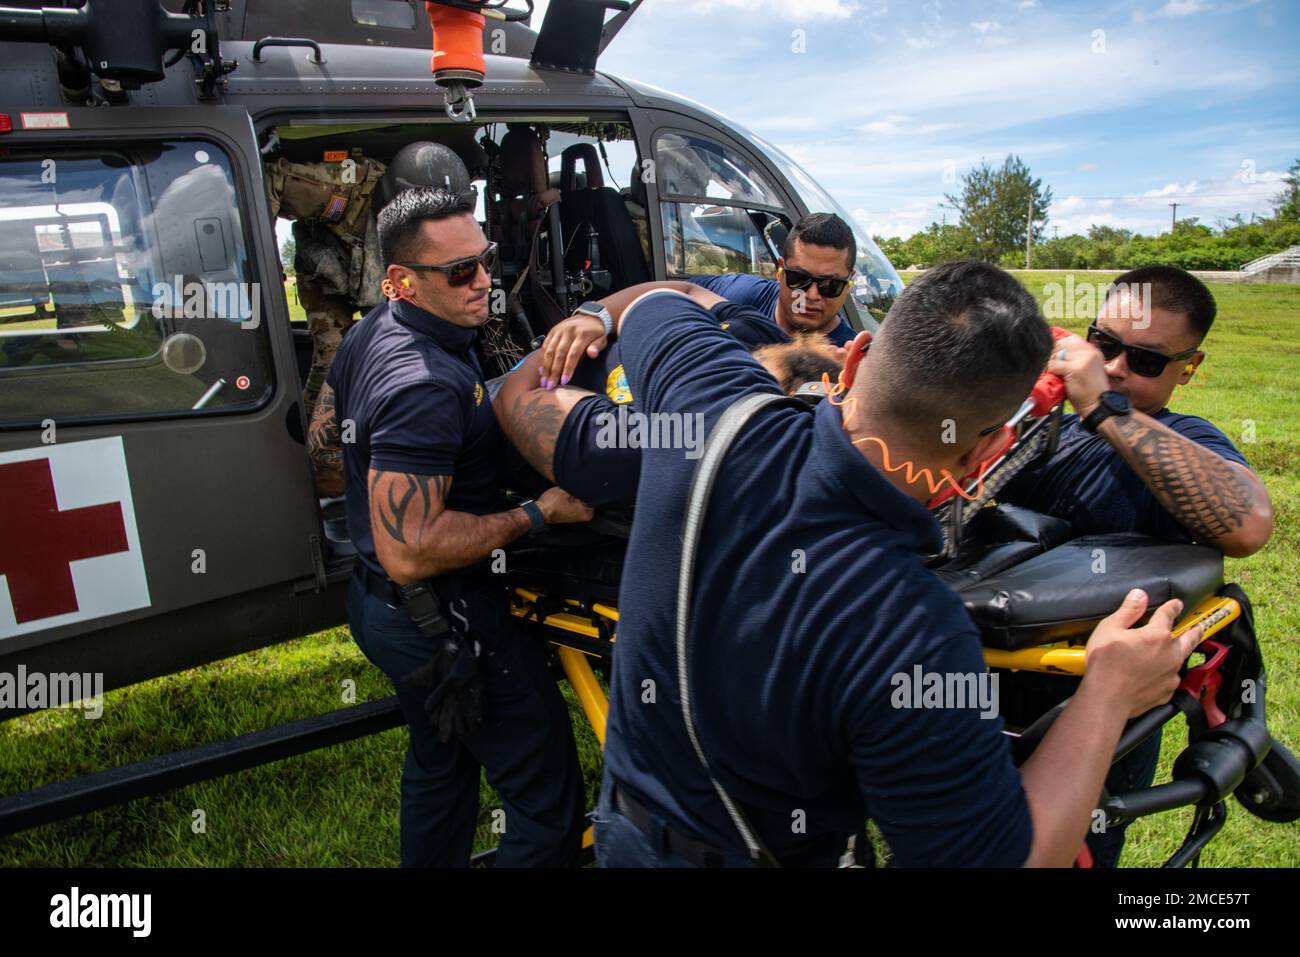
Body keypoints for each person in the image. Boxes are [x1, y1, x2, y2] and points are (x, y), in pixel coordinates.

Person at [591, 260, 1205, 867]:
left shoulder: (711, 404)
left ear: (854, 359)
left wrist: (589, 316)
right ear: (988, 450)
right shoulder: (913, 628)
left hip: (624, 828)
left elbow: (654, 301)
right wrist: (1107, 693)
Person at [308, 187, 590, 867]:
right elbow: (412, 550)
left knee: (441, 766)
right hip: (444, 621)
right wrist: (537, 512)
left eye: (485, 261)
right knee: (547, 803)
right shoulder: (423, 383)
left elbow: (326, 427)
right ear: (403, 280)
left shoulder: (375, 328)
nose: (485, 282)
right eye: (461, 272)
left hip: (385, 611)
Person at [999, 265, 1274, 866]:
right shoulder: (1048, 430)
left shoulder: (1183, 435)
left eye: (1146, 361)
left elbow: (1249, 522)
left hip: (1097, 715)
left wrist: (1103, 405)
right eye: (1105, 344)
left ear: (1189, 369)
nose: (1118, 367)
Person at [494, 284, 842, 509]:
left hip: (490, 427)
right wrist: (596, 317)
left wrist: (551, 354)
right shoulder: (764, 336)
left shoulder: (666, 436)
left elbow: (512, 397)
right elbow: (685, 291)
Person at [688, 212, 859, 346]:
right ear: (780, 269)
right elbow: (673, 293)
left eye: (830, 285)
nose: (812, 295)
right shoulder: (744, 295)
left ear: (850, 283)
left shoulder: (852, 363)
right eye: (799, 278)